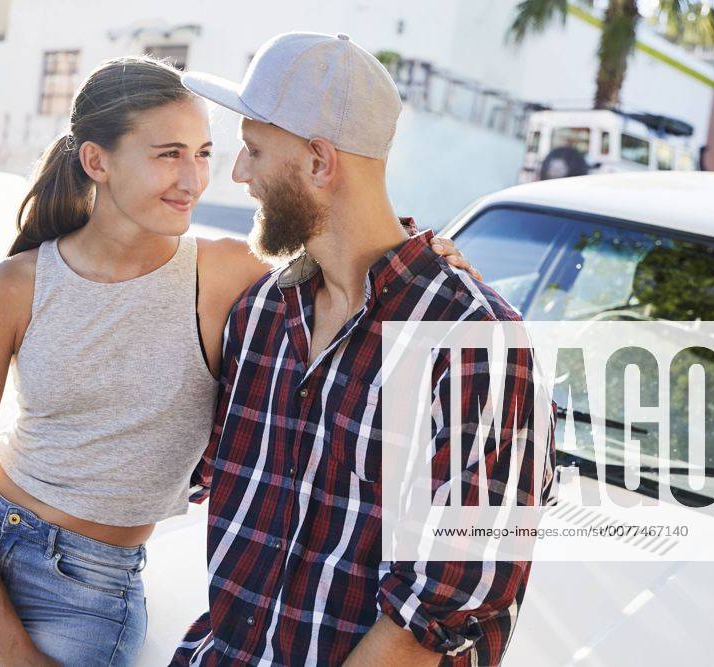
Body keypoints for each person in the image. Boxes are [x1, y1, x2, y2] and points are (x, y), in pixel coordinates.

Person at [0, 55, 472, 666]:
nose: (200, 178)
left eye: (204, 151)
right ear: (96, 160)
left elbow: (354, 272)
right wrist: (9, 644)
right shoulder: (10, 288)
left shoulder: (230, 277)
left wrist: (434, 260)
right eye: (169, 153)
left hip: (88, 589)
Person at [171, 32, 557, 666]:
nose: (238, 174)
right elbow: (184, 475)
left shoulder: (475, 341)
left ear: (320, 163)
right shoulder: (261, 313)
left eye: (254, 150)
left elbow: (445, 604)